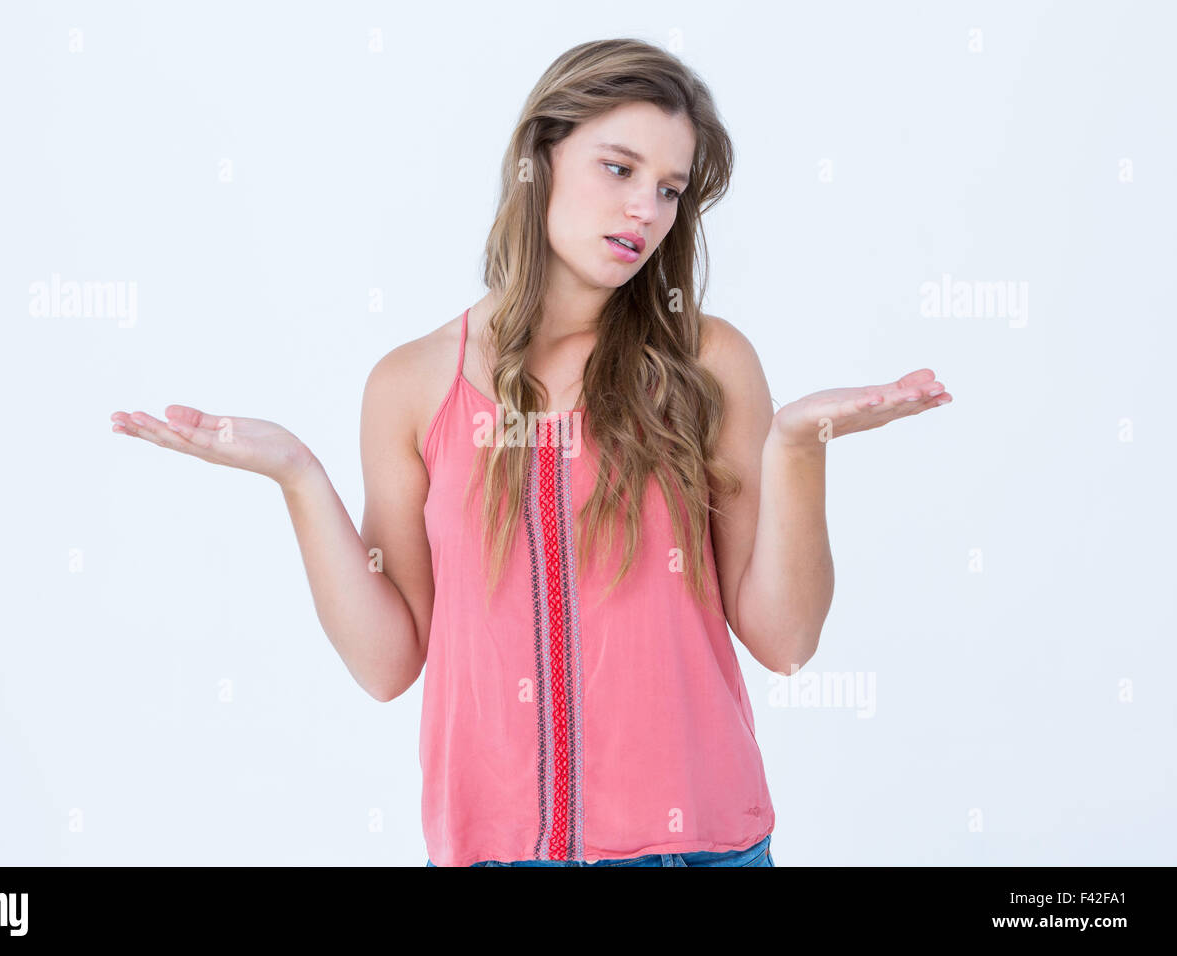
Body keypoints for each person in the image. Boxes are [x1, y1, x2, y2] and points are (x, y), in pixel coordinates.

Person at [110, 38, 951, 868]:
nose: (644, 212)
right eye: (617, 169)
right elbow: (386, 662)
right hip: (490, 855)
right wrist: (296, 474)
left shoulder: (707, 363)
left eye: (668, 189)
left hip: (699, 848)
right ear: (538, 160)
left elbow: (787, 641)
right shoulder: (411, 385)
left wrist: (798, 449)